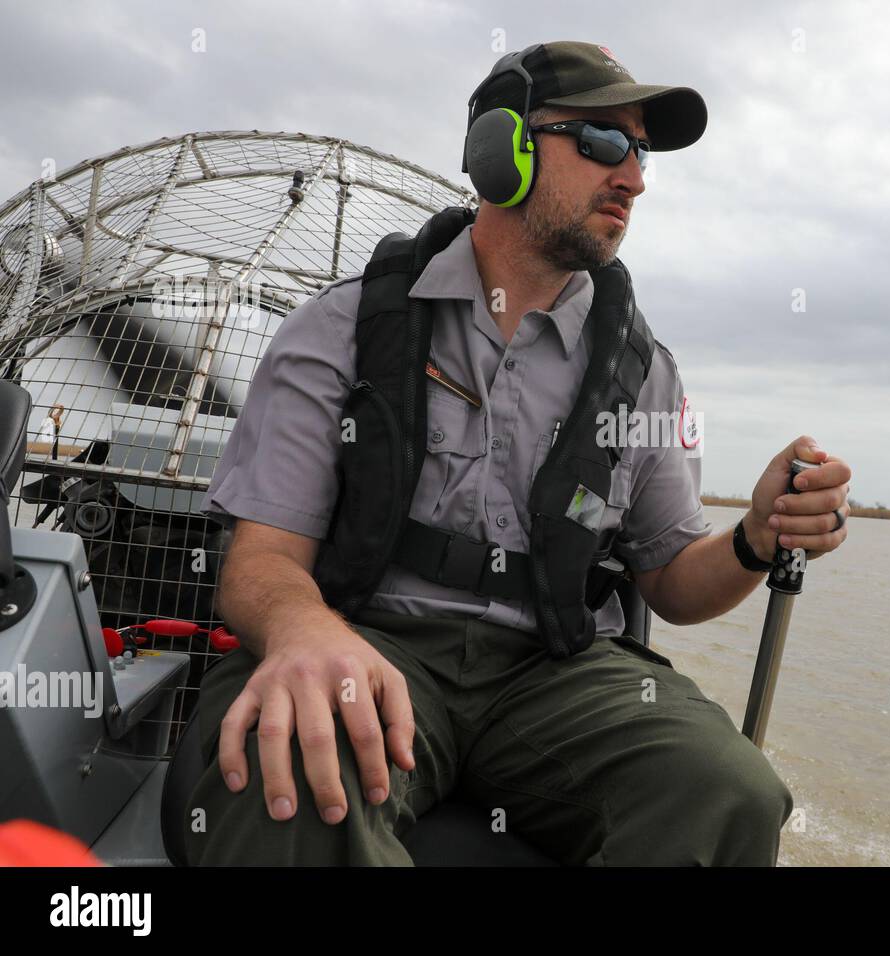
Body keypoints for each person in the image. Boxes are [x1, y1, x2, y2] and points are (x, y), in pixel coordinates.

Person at [184, 40, 852, 866]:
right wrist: (300, 633)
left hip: (552, 673)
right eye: (605, 142)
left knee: (727, 791)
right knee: (284, 776)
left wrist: (755, 534)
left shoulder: (646, 374)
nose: (634, 177)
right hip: (365, 639)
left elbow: (674, 582)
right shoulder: (339, 331)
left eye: (641, 152)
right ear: (503, 151)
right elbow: (260, 563)